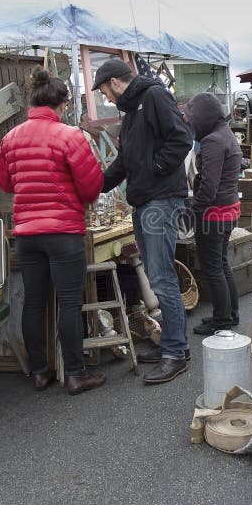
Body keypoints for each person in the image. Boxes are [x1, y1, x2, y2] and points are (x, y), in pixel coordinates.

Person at [0, 67, 105, 396]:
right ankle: (74, 374)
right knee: (69, 302)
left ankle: (40, 372)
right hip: (63, 232)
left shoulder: (11, 137)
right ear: (62, 104)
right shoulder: (69, 136)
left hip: (27, 234)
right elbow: (90, 188)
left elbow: (3, 182)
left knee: (34, 303)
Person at [96, 59, 192, 384]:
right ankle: (172, 343)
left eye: (104, 90)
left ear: (113, 81)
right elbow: (125, 160)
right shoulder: (133, 109)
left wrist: (155, 170)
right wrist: (96, 184)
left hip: (160, 199)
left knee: (162, 278)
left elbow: (181, 139)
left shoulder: (153, 96)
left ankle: (175, 354)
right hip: (147, 200)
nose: (106, 97)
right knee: (155, 275)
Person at [184, 93, 242, 336]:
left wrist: (193, 211)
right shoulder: (226, 134)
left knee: (214, 268)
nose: (190, 121)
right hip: (228, 210)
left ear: (204, 116)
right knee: (221, 264)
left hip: (214, 214)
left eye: (192, 117)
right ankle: (229, 314)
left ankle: (222, 321)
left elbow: (208, 186)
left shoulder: (213, 141)